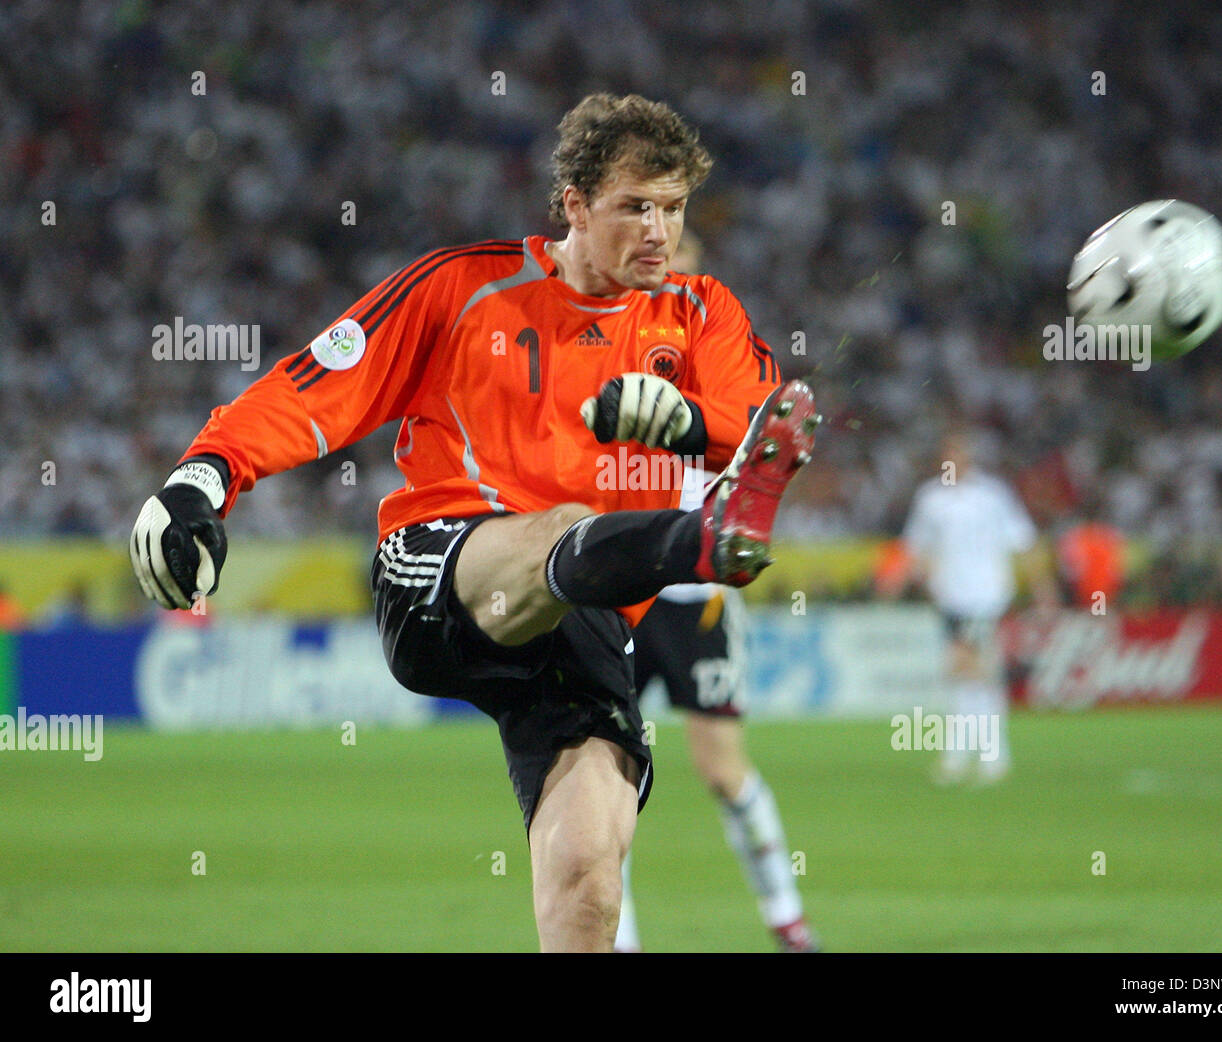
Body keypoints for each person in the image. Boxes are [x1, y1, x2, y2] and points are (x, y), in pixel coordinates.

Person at [127, 94, 819, 952]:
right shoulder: (463, 287)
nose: (659, 231)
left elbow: (765, 429)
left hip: (584, 620)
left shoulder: (700, 311)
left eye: (673, 209)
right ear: (573, 202)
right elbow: (319, 383)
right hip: (440, 571)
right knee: (563, 526)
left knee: (593, 878)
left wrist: (686, 425)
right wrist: (205, 475)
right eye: (634, 206)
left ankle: (700, 545)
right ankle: (703, 545)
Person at [614, 232, 819, 954]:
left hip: (694, 602)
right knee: (603, 788)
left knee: (724, 772)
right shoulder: (607, 350)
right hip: (616, 599)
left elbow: (762, 446)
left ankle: (788, 919)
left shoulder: (722, 363)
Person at [900, 429, 1042, 784]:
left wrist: (1041, 587)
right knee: (968, 675)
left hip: (985, 595)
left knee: (972, 670)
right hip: (950, 597)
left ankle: (978, 755)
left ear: (968, 458)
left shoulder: (992, 495)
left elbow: (1022, 540)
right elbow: (919, 548)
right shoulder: (930, 498)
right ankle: (981, 755)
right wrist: (919, 581)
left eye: (958, 455)